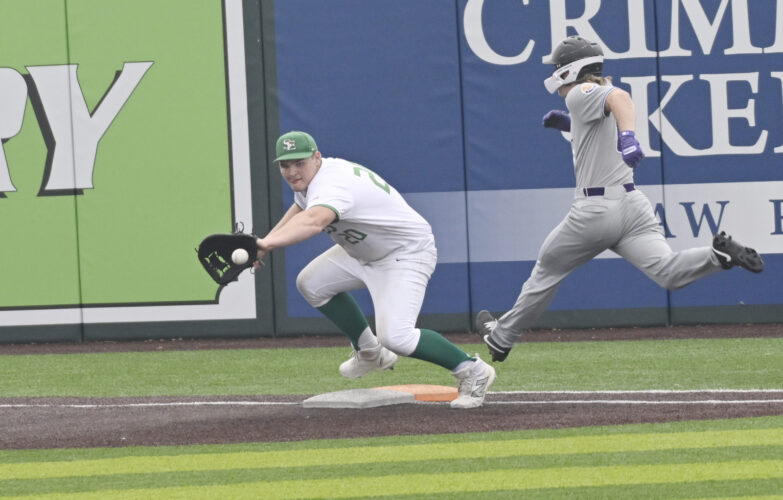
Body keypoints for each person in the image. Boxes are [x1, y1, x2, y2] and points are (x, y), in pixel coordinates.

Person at [476, 35, 764, 362]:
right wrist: (569, 125)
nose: (554, 72)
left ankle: (502, 337)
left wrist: (629, 136)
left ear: (570, 70)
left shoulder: (581, 93)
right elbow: (601, 121)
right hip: (632, 206)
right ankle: (717, 256)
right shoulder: (585, 100)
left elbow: (620, 98)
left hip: (595, 211)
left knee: (546, 268)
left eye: (558, 67)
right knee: (668, 272)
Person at [255, 131, 495, 408]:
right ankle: (370, 352)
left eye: (300, 163)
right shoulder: (313, 180)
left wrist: (264, 242)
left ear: (316, 158)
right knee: (311, 283)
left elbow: (313, 221)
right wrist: (264, 246)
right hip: (362, 252)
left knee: (397, 337)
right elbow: (301, 208)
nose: (293, 171)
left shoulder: (333, 183)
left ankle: (473, 371)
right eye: (286, 165)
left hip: (404, 254)